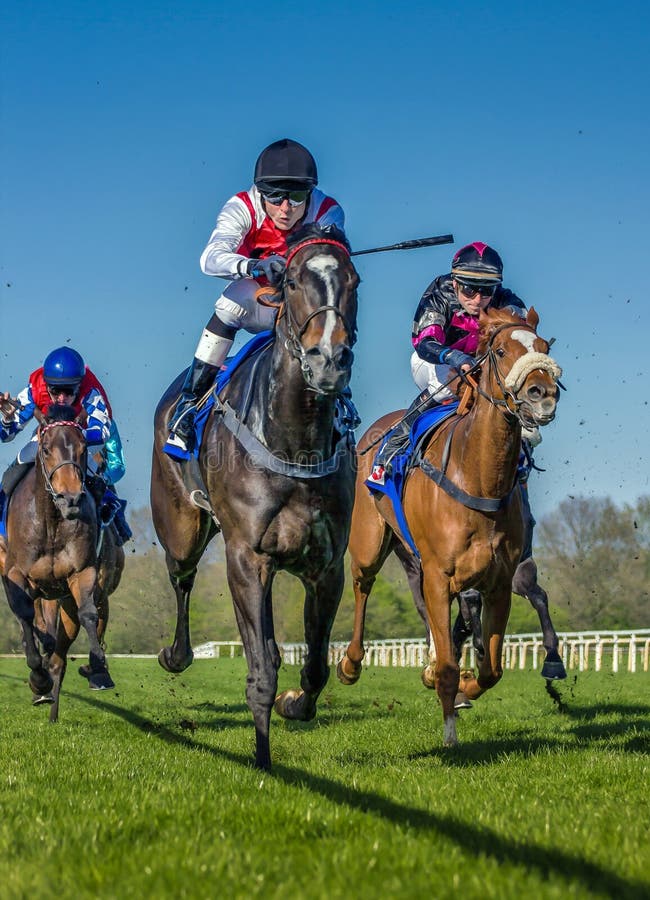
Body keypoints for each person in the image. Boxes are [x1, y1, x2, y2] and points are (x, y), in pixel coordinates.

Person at [167, 138, 346, 454]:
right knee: (231, 301)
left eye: (297, 196)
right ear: (260, 192)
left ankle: (340, 401)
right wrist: (253, 265)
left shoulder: (328, 211)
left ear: (311, 193)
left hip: (299, 303)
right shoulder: (241, 207)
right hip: (258, 298)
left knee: (331, 306)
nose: (285, 207)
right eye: (275, 197)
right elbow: (209, 258)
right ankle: (189, 402)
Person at [371, 241, 532, 482]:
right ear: (455, 283)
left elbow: (522, 340)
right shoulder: (439, 294)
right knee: (448, 383)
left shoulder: (508, 303)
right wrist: (455, 357)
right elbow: (425, 342)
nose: (478, 299)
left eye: (486, 291)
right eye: (469, 290)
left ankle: (523, 446)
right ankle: (392, 448)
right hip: (435, 361)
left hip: (481, 366)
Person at [0, 346, 132, 544]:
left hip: (84, 439)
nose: (61, 398)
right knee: (13, 471)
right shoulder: (33, 390)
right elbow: (5, 435)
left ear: (79, 385)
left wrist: (70, 440)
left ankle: (112, 511)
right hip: (50, 438)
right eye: (54, 391)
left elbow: (101, 431)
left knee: (98, 472)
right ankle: (3, 533)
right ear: (47, 385)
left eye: (69, 391)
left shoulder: (92, 392)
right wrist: (8, 419)